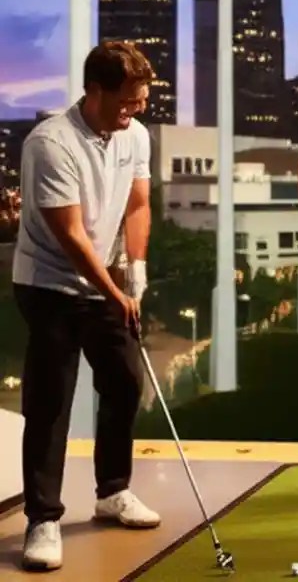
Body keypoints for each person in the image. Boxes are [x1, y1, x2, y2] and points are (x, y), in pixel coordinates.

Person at [14, 41, 161, 572]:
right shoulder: (50, 143)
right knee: (51, 399)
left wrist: (136, 271)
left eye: (140, 102)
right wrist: (115, 292)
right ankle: (43, 518)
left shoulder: (135, 134)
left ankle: (112, 490)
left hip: (104, 279)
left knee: (124, 379)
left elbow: (139, 203)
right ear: (93, 90)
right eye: (126, 101)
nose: (134, 112)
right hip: (50, 284)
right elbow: (72, 237)